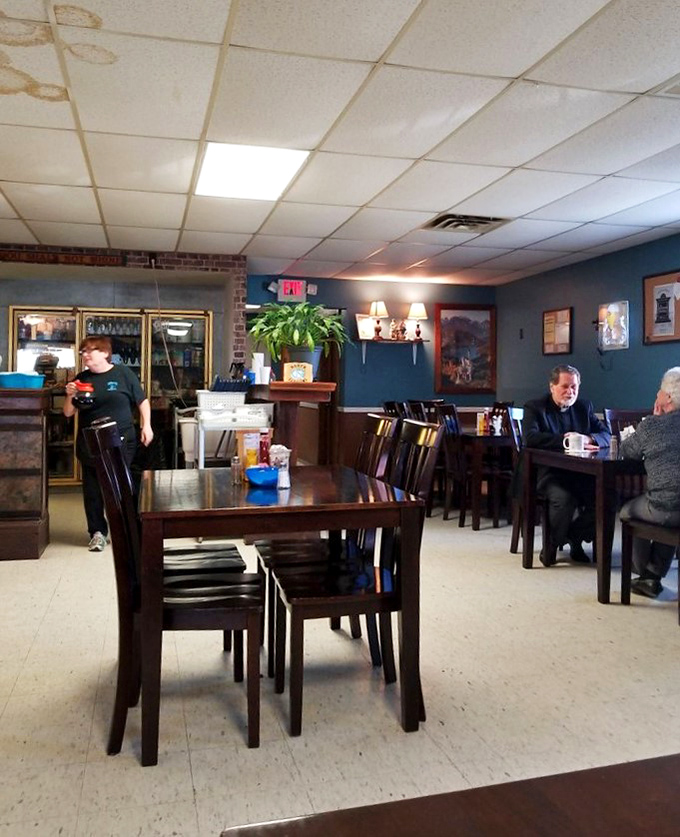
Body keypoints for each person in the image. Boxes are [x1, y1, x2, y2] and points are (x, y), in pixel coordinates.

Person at [64, 336, 153, 551]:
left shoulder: (123, 374)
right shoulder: (81, 379)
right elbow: (68, 412)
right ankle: (97, 532)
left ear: (104, 353)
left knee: (120, 484)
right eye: (82, 351)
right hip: (90, 441)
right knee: (93, 489)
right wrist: (69, 395)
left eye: (89, 350)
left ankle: (127, 529)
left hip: (121, 438)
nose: (85, 355)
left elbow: (142, 401)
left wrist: (147, 425)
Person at [523, 364, 611, 566]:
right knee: (565, 499)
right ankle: (553, 545)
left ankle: (573, 536)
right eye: (565, 386)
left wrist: (588, 439)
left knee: (606, 497)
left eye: (574, 387)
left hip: (580, 473)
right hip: (547, 473)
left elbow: (605, 434)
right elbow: (530, 437)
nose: (570, 392)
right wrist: (565, 440)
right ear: (552, 386)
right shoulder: (535, 407)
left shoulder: (583, 407)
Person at [619, 367, 680, 598]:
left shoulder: (653, 426)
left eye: (660, 392)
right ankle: (652, 576)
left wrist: (653, 421)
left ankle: (645, 573)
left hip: (665, 506)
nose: (657, 395)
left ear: (668, 398)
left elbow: (627, 450)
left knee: (627, 511)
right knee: (671, 515)